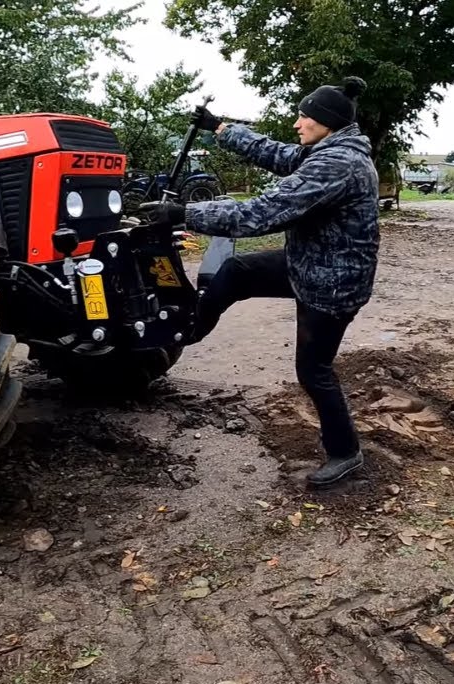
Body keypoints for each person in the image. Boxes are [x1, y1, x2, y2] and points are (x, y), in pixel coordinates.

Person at [143, 77, 380, 490]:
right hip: (310, 263)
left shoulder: (336, 165)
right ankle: (185, 332)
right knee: (237, 273)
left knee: (314, 370)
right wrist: (220, 128)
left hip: (331, 285)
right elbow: (275, 152)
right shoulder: (329, 150)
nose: (296, 123)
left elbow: (263, 213)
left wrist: (183, 214)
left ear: (326, 121)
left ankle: (345, 453)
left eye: (304, 116)